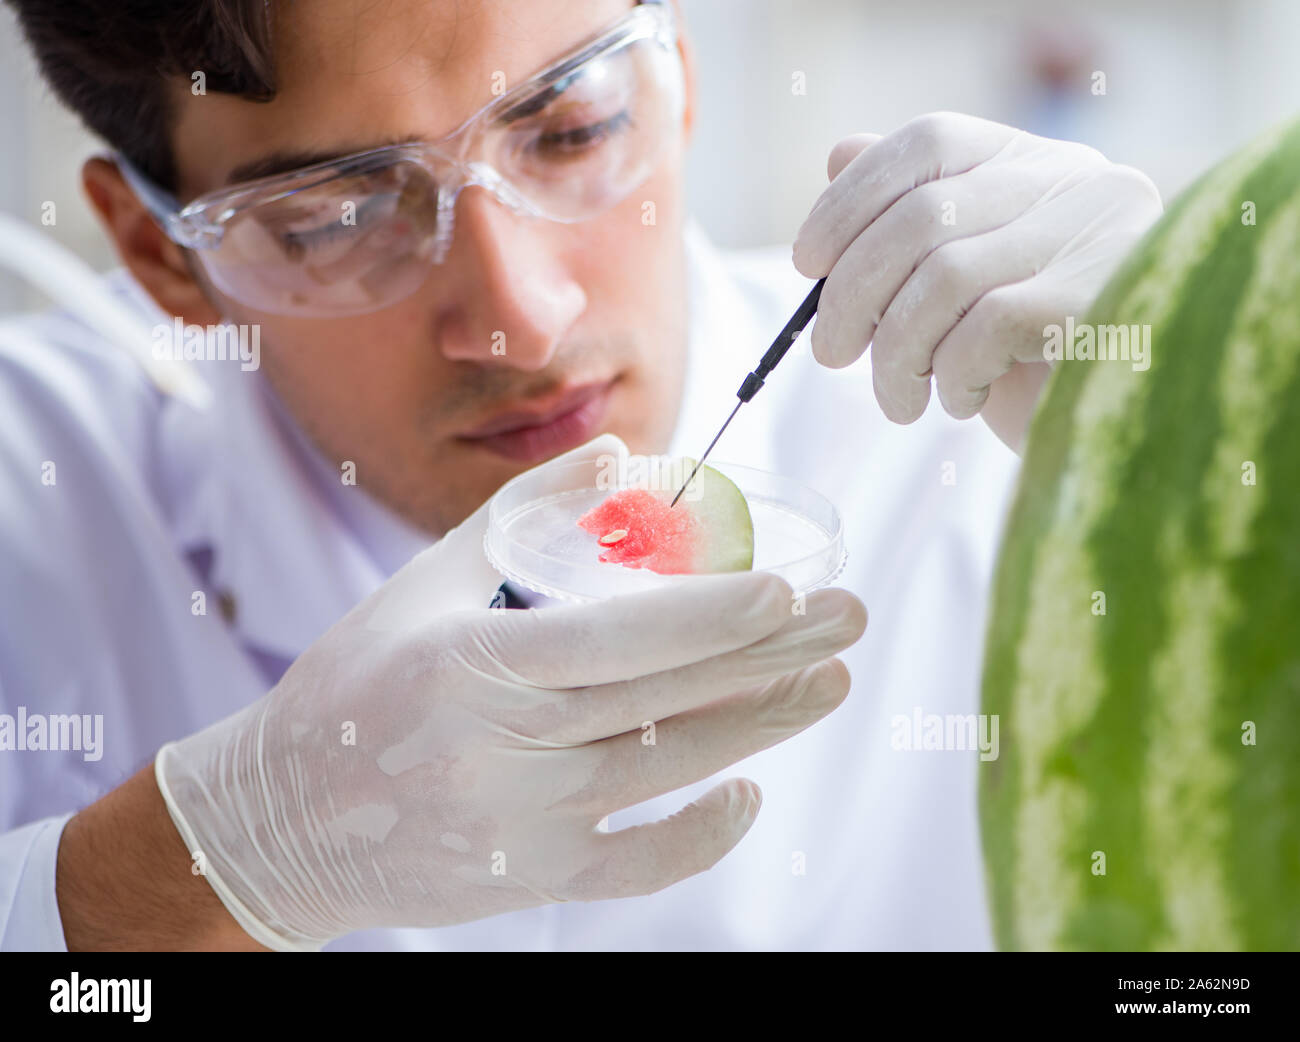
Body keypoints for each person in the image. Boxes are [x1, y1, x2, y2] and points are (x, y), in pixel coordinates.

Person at [0, 0, 1161, 951]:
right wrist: (216, 857)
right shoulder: (35, 483)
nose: (524, 318)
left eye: (570, 130)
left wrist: (1237, 437)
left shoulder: (982, 429)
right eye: (336, 216)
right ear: (161, 256)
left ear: (681, 84)